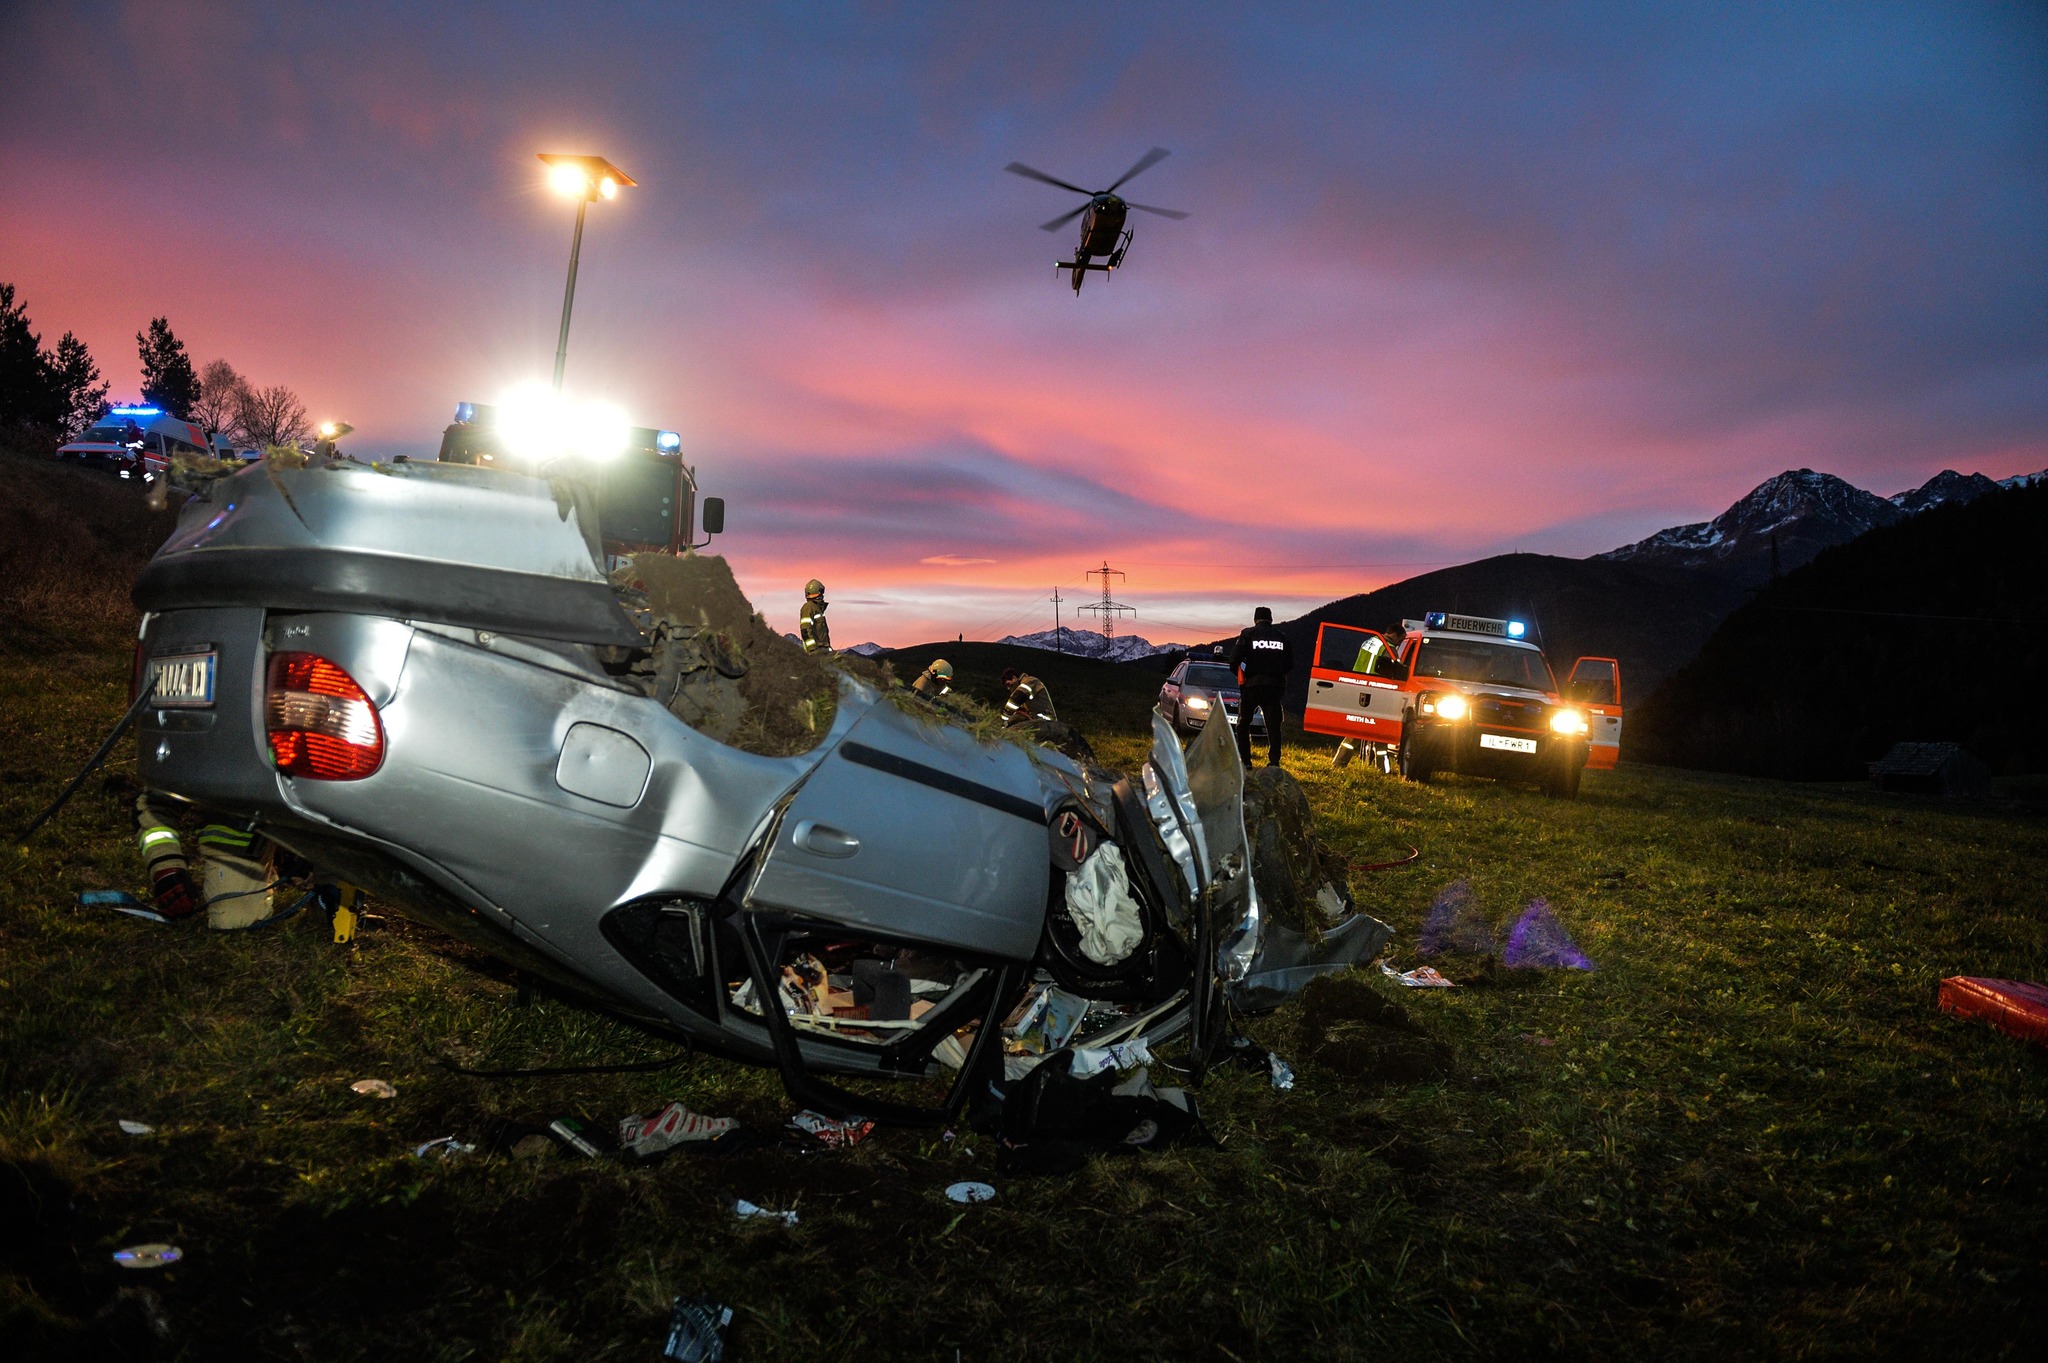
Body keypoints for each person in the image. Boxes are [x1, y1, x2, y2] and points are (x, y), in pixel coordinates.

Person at [1229, 606, 1293, 768]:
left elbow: (1233, 661)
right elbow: (1289, 664)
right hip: (1274, 687)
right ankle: (1274, 761)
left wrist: (1242, 677)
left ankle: (1245, 761)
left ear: (1255, 619)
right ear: (1271, 619)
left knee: (1243, 724)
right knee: (1273, 725)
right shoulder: (1281, 637)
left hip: (1252, 686)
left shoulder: (1248, 634)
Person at [798, 579, 831, 654]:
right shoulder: (809, 607)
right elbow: (805, 630)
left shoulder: (817, 608)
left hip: (823, 650)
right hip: (817, 651)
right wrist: (812, 650)